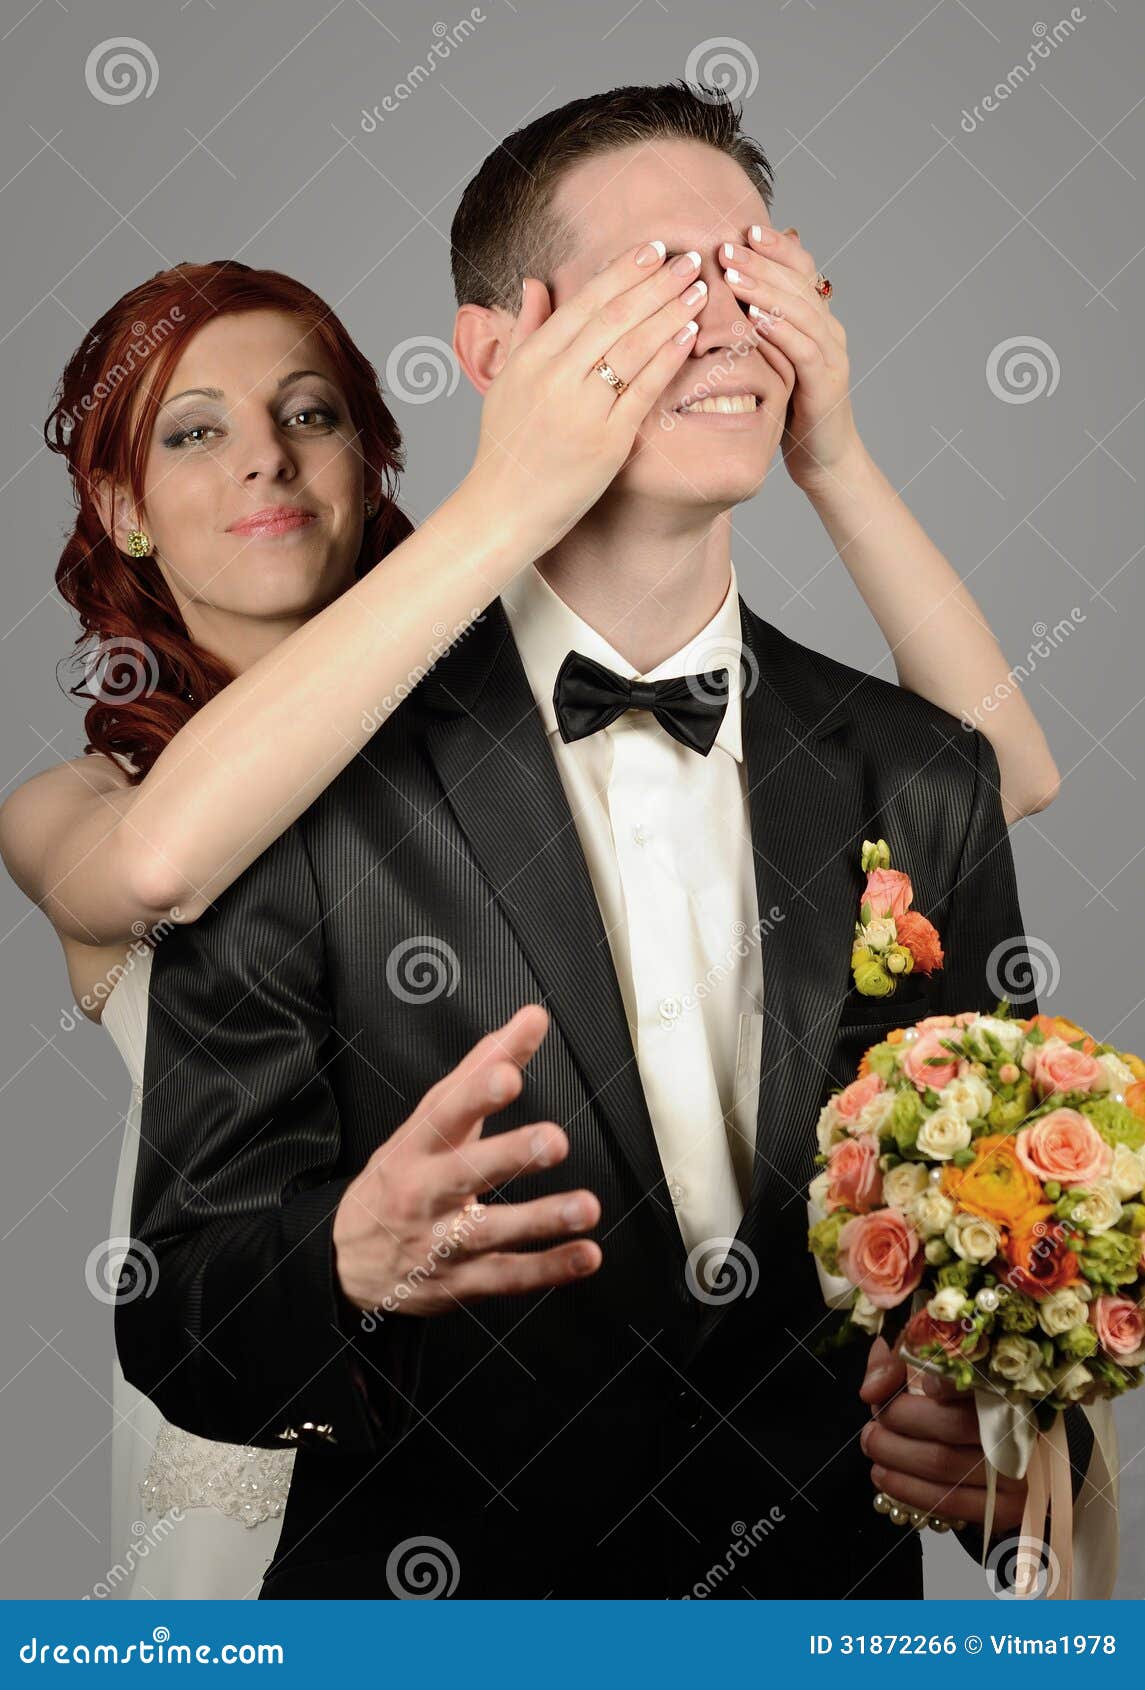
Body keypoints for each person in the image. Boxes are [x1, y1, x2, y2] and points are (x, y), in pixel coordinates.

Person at [58, 78, 1112, 1597]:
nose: (731, 320)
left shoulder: (917, 776)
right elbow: (182, 1316)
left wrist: (997, 1446)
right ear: (498, 349)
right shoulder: (285, 774)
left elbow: (990, 1284)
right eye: (664, 280)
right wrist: (340, 1266)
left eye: (763, 273)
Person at [0, 248, 719, 1595]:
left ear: (371, 458)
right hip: (269, 1397)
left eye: (309, 412)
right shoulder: (79, 803)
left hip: (565, 1387)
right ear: (124, 505)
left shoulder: (512, 732)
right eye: (194, 430)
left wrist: (837, 462)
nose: (265, 459)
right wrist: (501, 508)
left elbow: (995, 768)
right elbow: (163, 869)